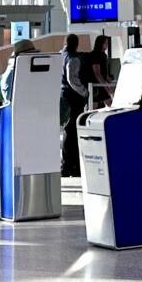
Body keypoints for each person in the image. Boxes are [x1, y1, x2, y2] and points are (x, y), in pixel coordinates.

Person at [60, 34, 89, 176]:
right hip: (73, 98)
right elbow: (73, 79)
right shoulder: (73, 58)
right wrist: (85, 92)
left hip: (62, 97)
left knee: (68, 130)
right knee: (72, 132)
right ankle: (71, 166)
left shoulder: (60, 56)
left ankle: (67, 165)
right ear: (76, 44)